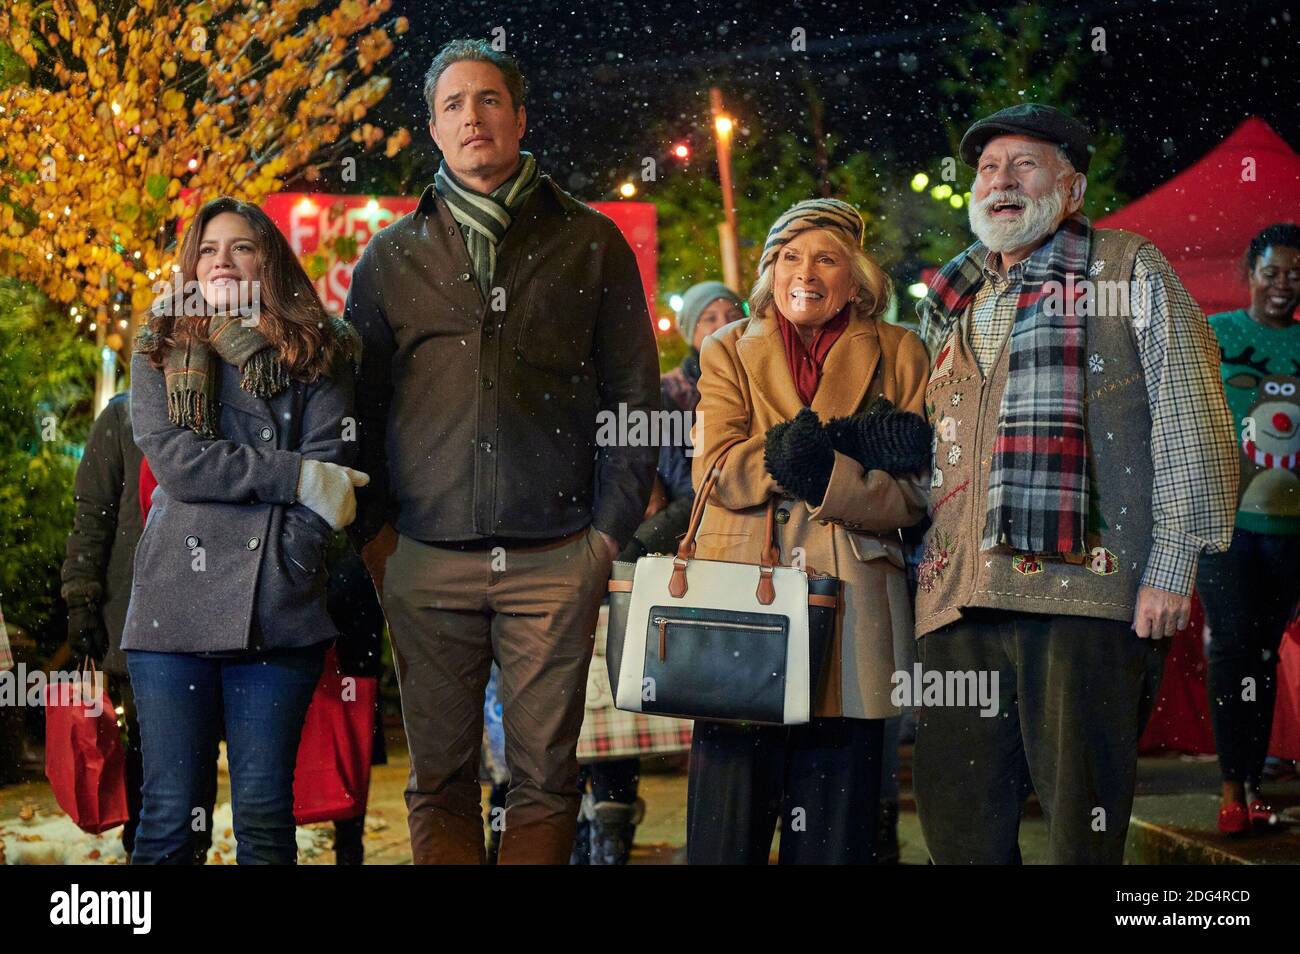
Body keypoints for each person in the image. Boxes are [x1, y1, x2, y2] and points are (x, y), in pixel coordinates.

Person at [346, 39, 659, 865]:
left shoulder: (591, 242)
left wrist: (604, 539)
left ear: (519, 117)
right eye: (453, 105)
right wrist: (378, 540)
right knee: (438, 779)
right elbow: (358, 410)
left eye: (488, 100)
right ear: (433, 130)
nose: (472, 116)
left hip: (555, 555)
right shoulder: (388, 258)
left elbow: (636, 399)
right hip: (423, 554)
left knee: (546, 778)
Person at [911, 104, 1238, 864]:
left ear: (1073, 186)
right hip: (957, 599)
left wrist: (1172, 565)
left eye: (1024, 165)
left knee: (1080, 829)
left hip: (1084, 594)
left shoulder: (1126, 267)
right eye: (988, 169)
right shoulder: (954, 296)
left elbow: (1193, 415)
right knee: (958, 824)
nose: (1001, 182)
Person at [686, 198, 933, 864]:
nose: (807, 273)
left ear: (857, 276)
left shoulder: (901, 351)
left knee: (834, 841)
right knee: (724, 840)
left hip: (852, 611)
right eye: (790, 257)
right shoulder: (727, 348)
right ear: (769, 271)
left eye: (827, 257)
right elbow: (716, 471)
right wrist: (817, 447)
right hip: (745, 608)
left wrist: (830, 477)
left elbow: (913, 495)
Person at [124, 196, 367, 864]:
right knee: (172, 820)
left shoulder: (320, 347)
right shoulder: (162, 342)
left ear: (269, 258)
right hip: (174, 611)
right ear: (191, 264)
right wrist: (292, 478)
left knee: (263, 818)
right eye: (208, 249)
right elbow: (178, 465)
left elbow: (334, 473)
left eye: (241, 247)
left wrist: (289, 561)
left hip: (275, 612)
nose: (222, 261)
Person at [573, 281, 745, 866]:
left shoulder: (668, 399)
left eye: (731, 313)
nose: (719, 324)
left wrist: (635, 543)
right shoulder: (567, 400)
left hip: (650, 565)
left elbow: (695, 487)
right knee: (579, 703)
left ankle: (613, 836)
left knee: (628, 708)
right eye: (708, 316)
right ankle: (581, 835)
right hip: (589, 565)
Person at [61, 395, 214, 863]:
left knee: (196, 749)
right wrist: (82, 598)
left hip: (204, 611)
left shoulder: (215, 407)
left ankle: (188, 848)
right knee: (150, 748)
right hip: (138, 614)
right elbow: (93, 512)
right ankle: (144, 847)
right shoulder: (125, 416)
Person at [1202, 223, 1300, 834]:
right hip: (1226, 527)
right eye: (1272, 272)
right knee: (1233, 647)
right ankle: (1230, 787)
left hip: (1291, 531)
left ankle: (1254, 785)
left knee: (1262, 654)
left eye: (1295, 274)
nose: (1283, 285)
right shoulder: (1216, 337)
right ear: (1251, 273)